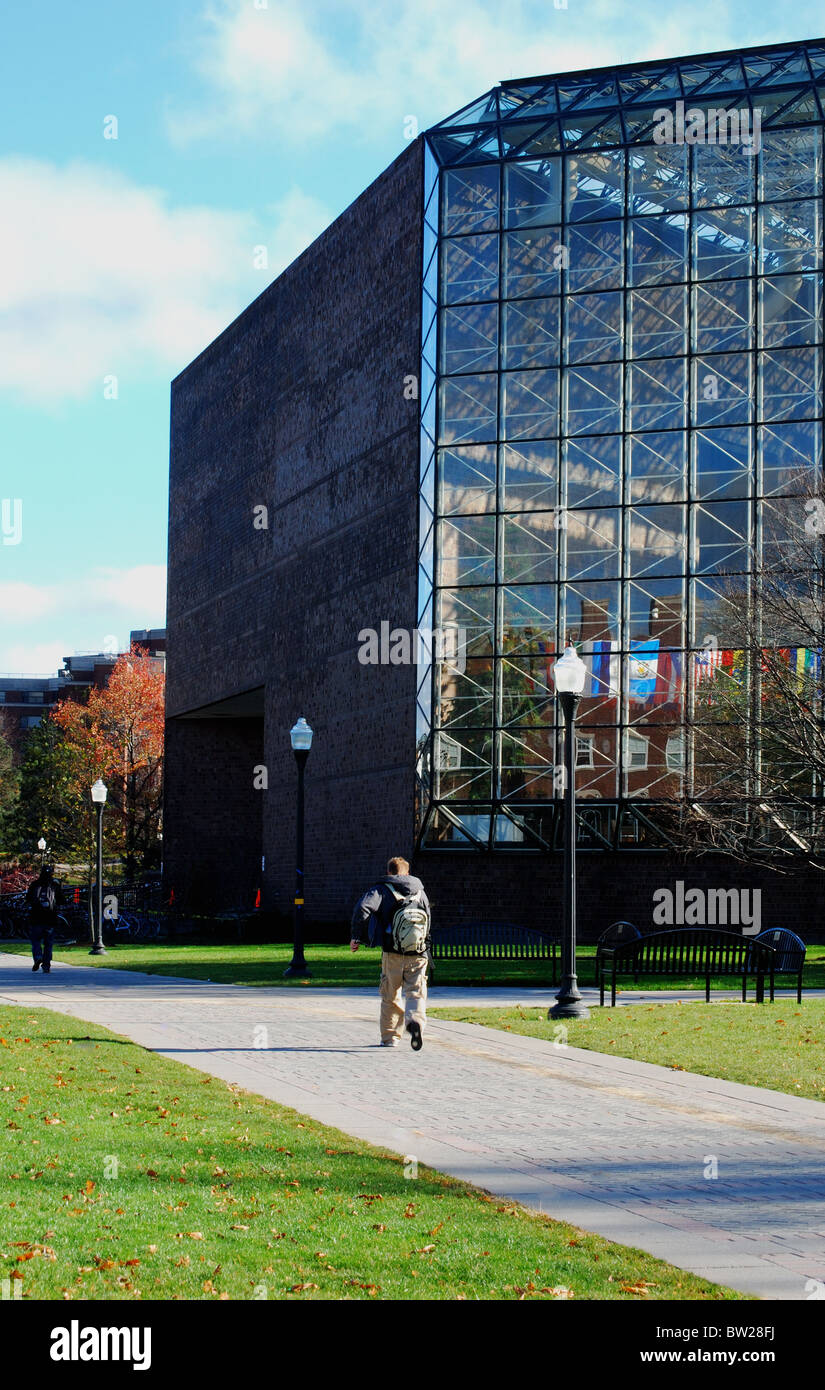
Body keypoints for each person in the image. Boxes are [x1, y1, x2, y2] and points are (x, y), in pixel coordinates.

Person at [351, 856, 431, 1050]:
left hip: (392, 951)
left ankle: (390, 1037)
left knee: (391, 994)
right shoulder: (420, 892)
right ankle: (415, 1023)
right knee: (416, 992)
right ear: (407, 873)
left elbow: (363, 908)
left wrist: (357, 936)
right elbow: (428, 918)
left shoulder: (381, 890)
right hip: (419, 952)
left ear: (389, 872)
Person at [25, 864, 63, 974]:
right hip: (50, 918)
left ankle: (37, 957)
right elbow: (61, 900)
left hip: (36, 917)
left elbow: (28, 899)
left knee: (35, 940)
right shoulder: (54, 885)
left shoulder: (35, 884)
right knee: (48, 943)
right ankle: (46, 965)